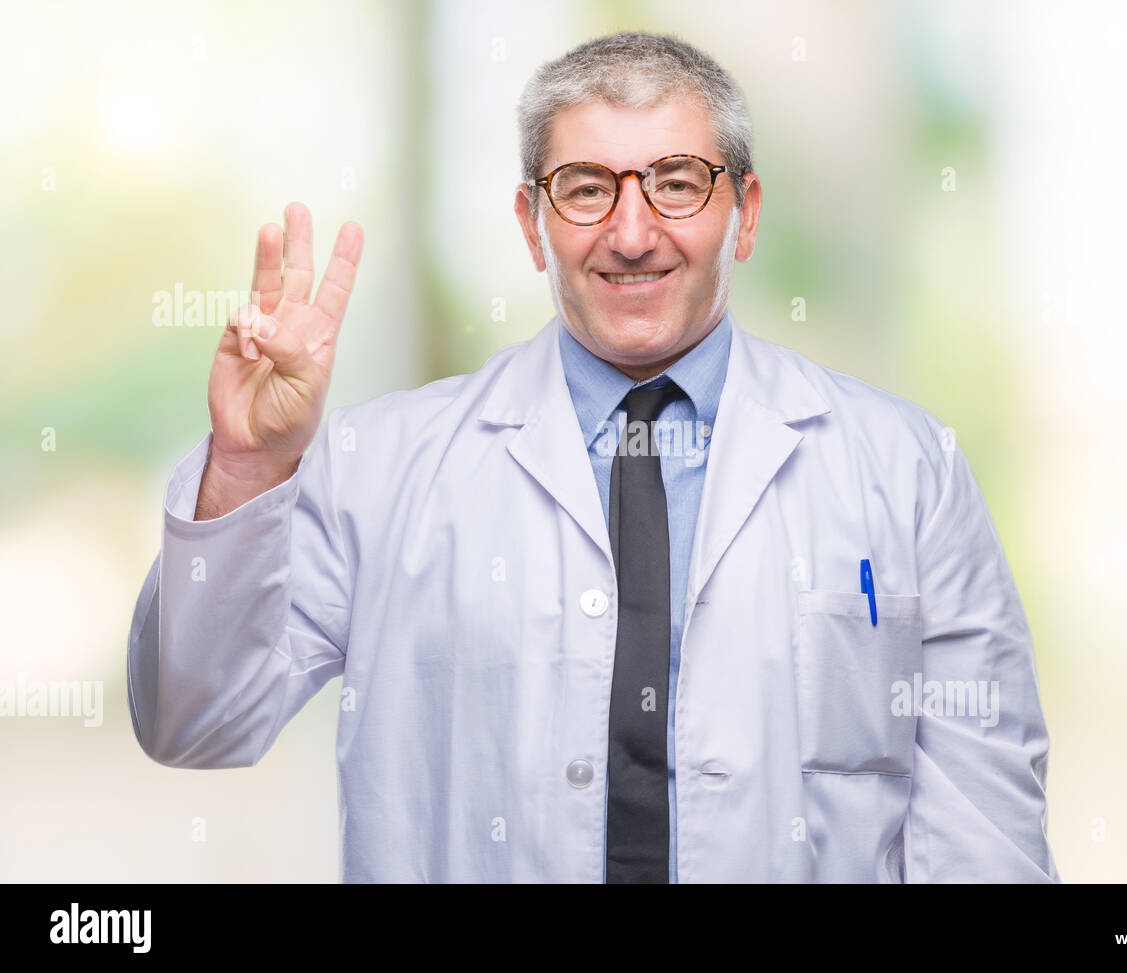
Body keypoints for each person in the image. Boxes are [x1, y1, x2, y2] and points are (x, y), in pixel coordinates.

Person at [127, 30, 1059, 883]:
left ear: (745, 210)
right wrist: (249, 465)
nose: (632, 231)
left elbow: (987, 839)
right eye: (586, 187)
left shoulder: (903, 471)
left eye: (678, 181)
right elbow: (197, 721)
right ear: (533, 223)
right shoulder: (384, 468)